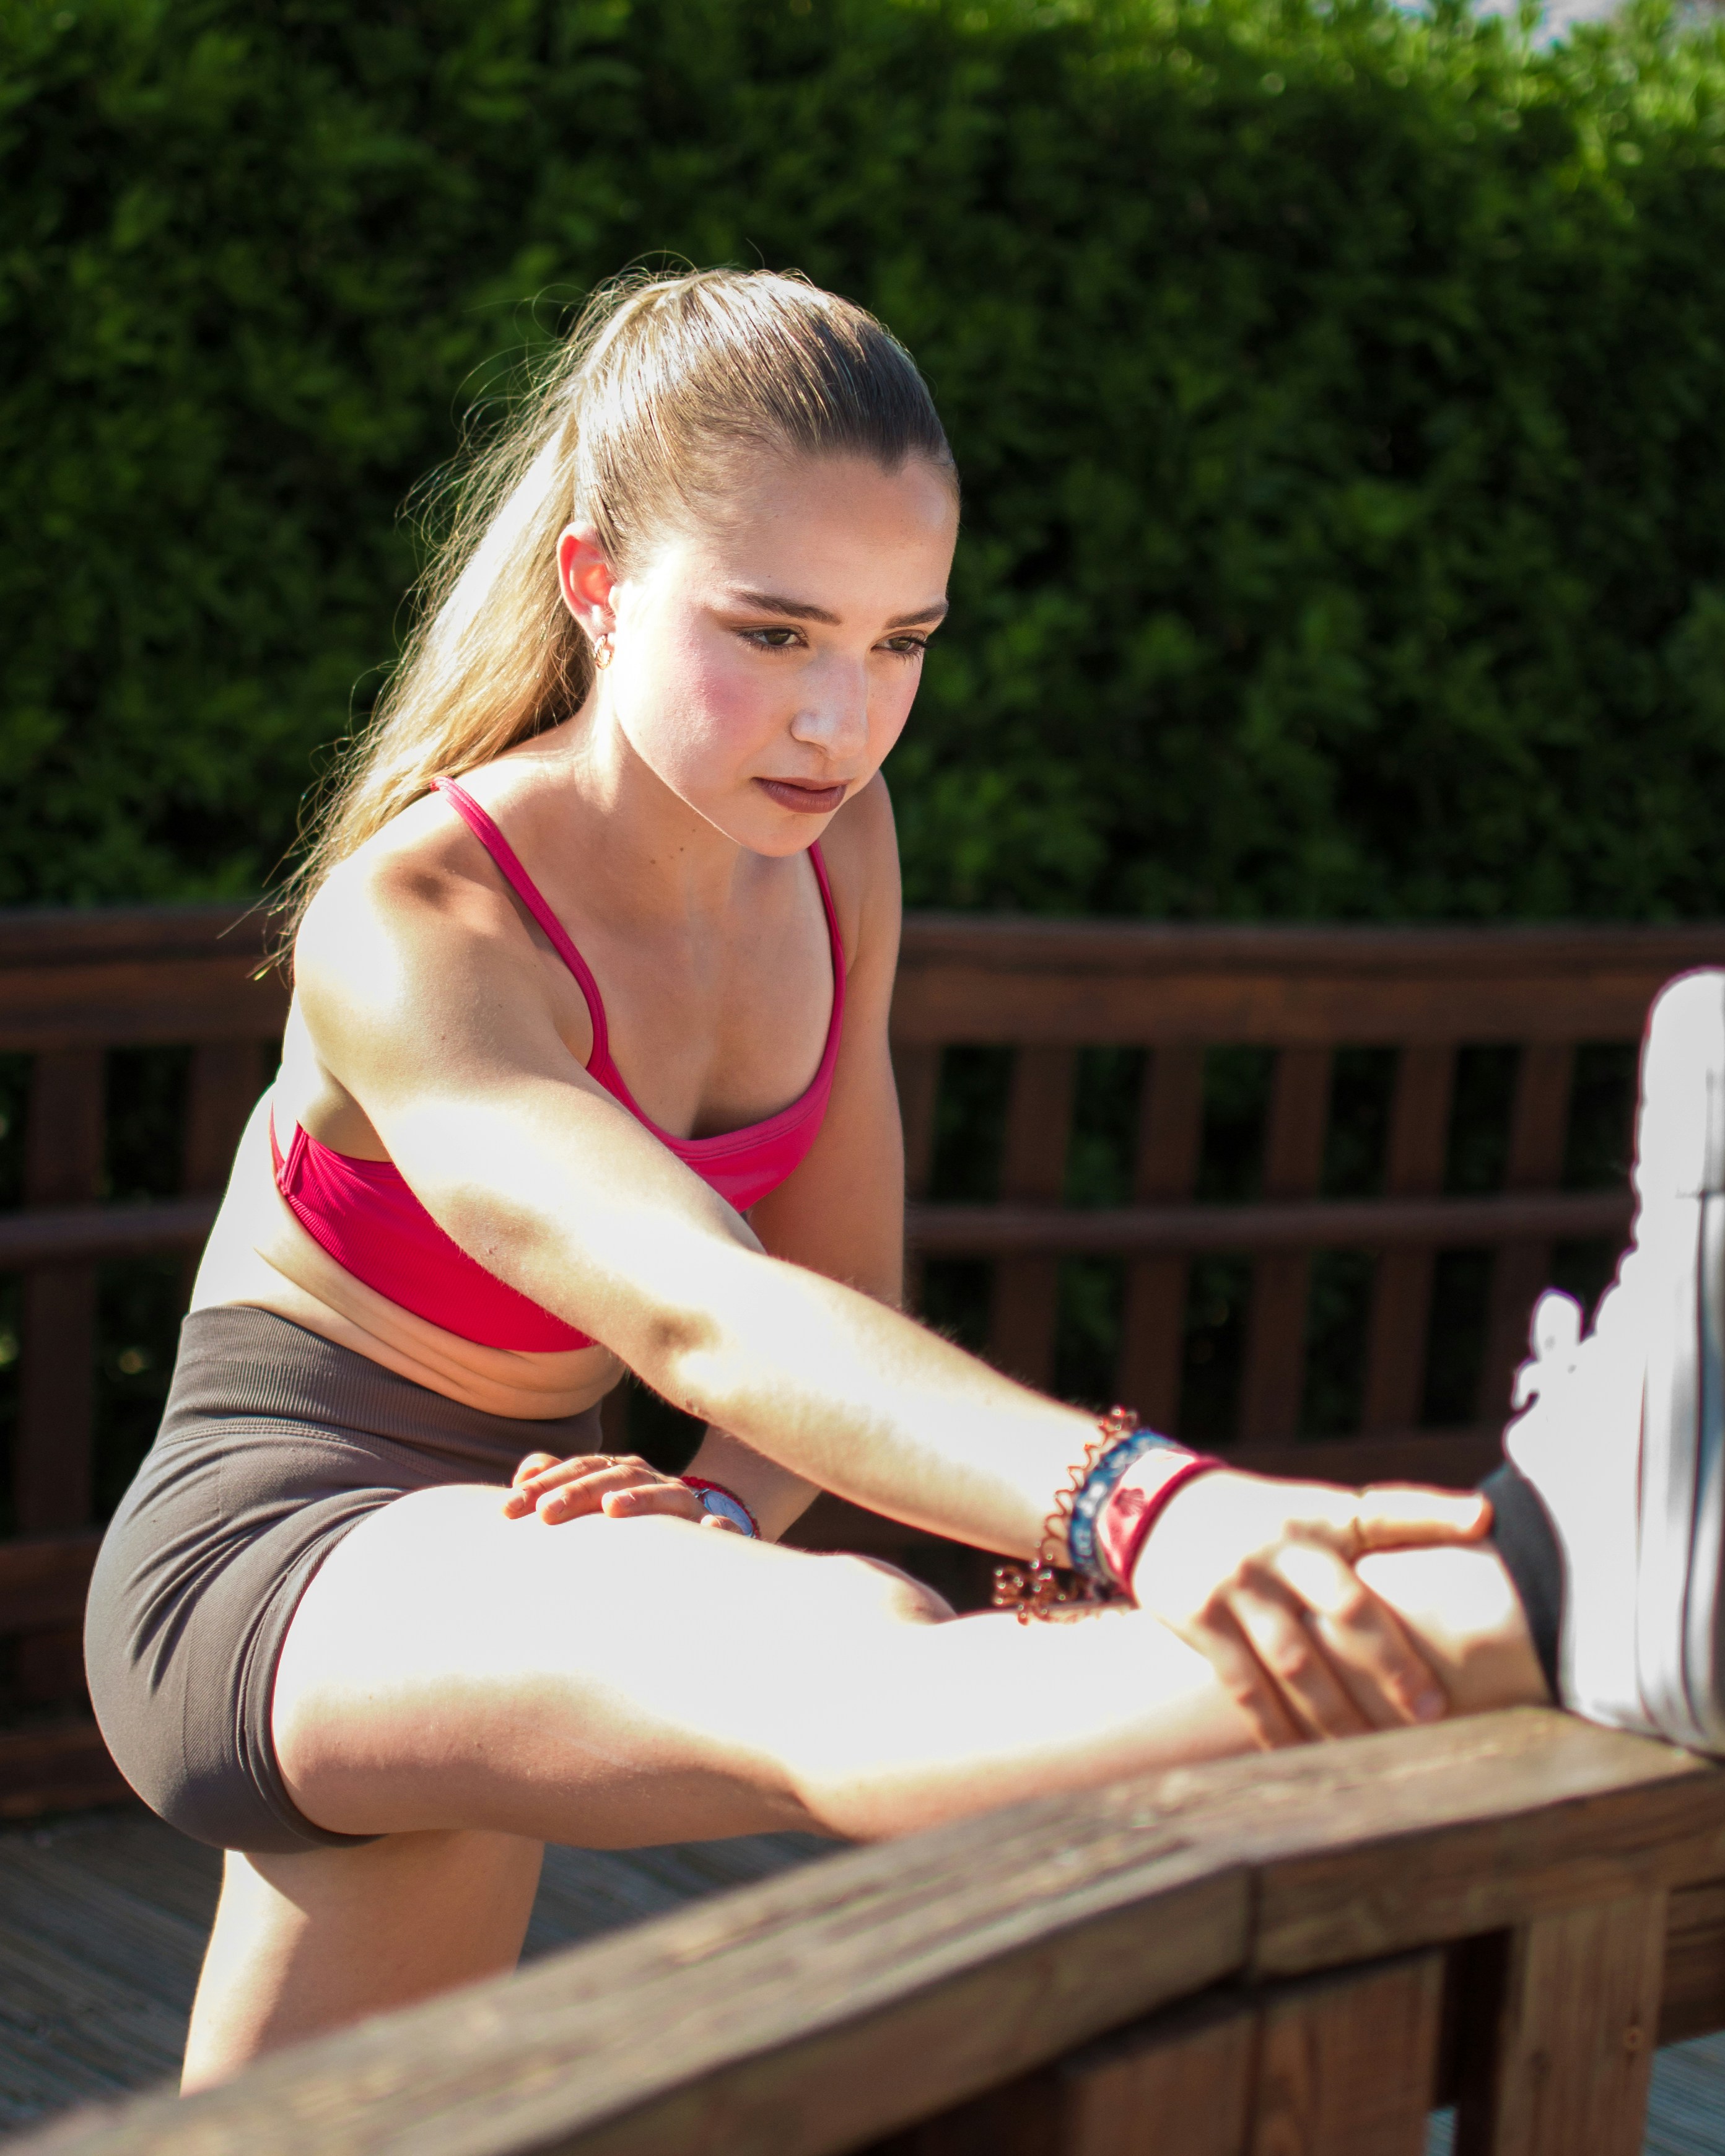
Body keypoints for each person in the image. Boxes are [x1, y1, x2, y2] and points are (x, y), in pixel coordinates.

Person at [79, 269, 1723, 2094]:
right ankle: (1559, 1586)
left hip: (514, 1544)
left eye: (899, 641)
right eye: (773, 631)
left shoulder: (834, 850)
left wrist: (713, 1507)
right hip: (272, 1555)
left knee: (294, 2140)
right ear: (594, 583)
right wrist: (1144, 1504)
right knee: (859, 1652)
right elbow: (703, 1303)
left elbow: (832, 1300)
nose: (838, 720)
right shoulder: (423, 918)